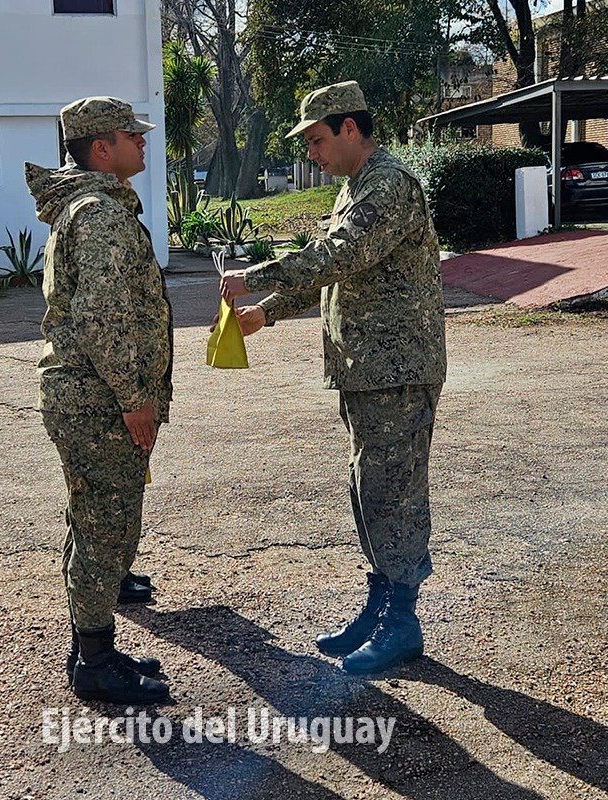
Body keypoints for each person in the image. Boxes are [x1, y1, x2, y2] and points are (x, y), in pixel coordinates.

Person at [218, 81, 446, 675]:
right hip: (368, 371)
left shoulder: (388, 184)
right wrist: (267, 310)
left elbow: (337, 257)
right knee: (369, 488)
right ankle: (380, 607)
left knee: (393, 490)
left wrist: (255, 275)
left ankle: (402, 622)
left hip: (396, 370)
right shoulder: (356, 188)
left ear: (350, 128)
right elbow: (339, 274)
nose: (311, 154)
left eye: (317, 140)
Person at [25, 96, 173, 704]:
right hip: (100, 400)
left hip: (86, 396)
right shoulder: (103, 217)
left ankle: (94, 645)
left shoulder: (86, 210)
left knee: (93, 519)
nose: (142, 143)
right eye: (130, 136)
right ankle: (94, 661)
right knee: (105, 526)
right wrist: (136, 397)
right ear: (102, 149)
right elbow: (104, 320)